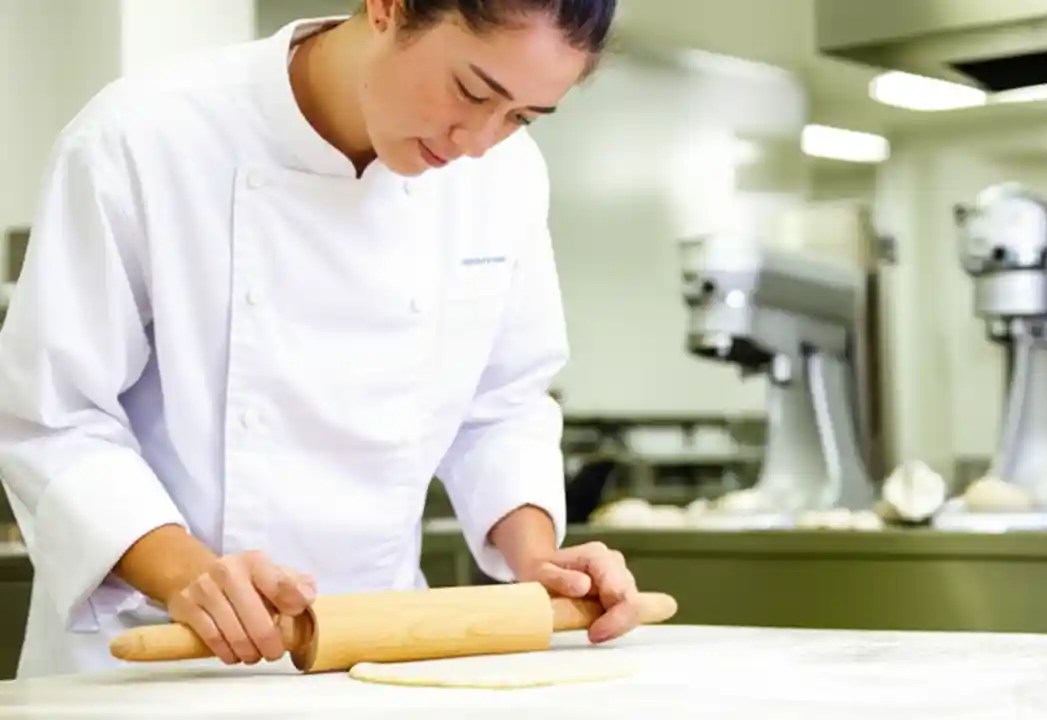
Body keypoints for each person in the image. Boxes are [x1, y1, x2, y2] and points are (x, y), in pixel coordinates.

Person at [0, 0, 640, 678]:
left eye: (521, 117)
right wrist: (188, 575)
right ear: (388, 7)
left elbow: (502, 406)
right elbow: (53, 416)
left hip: (378, 655)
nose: (478, 142)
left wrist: (540, 561)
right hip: (156, 655)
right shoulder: (145, 136)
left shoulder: (506, 175)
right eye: (472, 91)